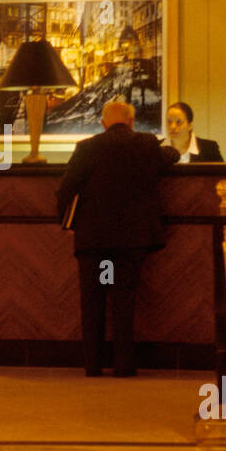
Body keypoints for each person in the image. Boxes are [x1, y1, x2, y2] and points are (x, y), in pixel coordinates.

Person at [56, 100, 170, 377]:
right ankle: (123, 364)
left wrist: (66, 223)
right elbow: (171, 157)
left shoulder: (86, 148)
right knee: (123, 301)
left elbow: (65, 189)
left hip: (93, 239)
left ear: (103, 123)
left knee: (92, 301)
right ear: (131, 121)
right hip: (131, 240)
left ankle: (92, 364)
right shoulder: (146, 143)